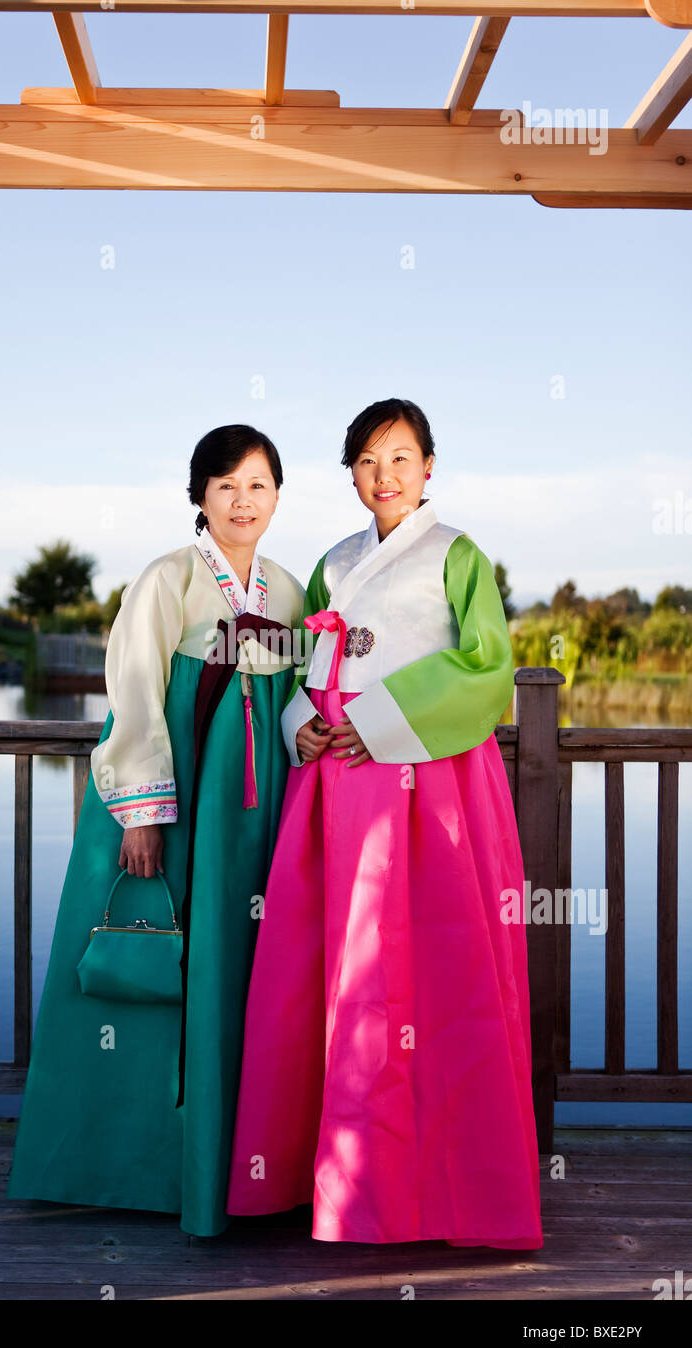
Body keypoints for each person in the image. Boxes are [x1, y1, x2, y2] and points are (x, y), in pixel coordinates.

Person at [226, 398, 543, 1249]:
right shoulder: (333, 563)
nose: (384, 476)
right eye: (367, 461)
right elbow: (303, 662)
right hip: (334, 775)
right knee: (327, 971)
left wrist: (383, 718)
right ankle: (325, 1181)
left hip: (420, 774)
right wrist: (304, 720)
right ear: (352, 474)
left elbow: (485, 667)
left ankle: (437, 1193)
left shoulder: (457, 555)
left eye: (400, 458)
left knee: (433, 973)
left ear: (429, 466)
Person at [7, 424, 304, 1238]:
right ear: (200, 498)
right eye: (225, 486)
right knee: (150, 961)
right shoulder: (168, 580)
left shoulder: (288, 589)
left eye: (258, 485)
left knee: (240, 970)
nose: (243, 501)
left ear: (278, 496)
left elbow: (299, 692)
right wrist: (141, 809)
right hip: (171, 801)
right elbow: (136, 687)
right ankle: (130, 1169)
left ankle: (236, 1170)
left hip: (249, 812)